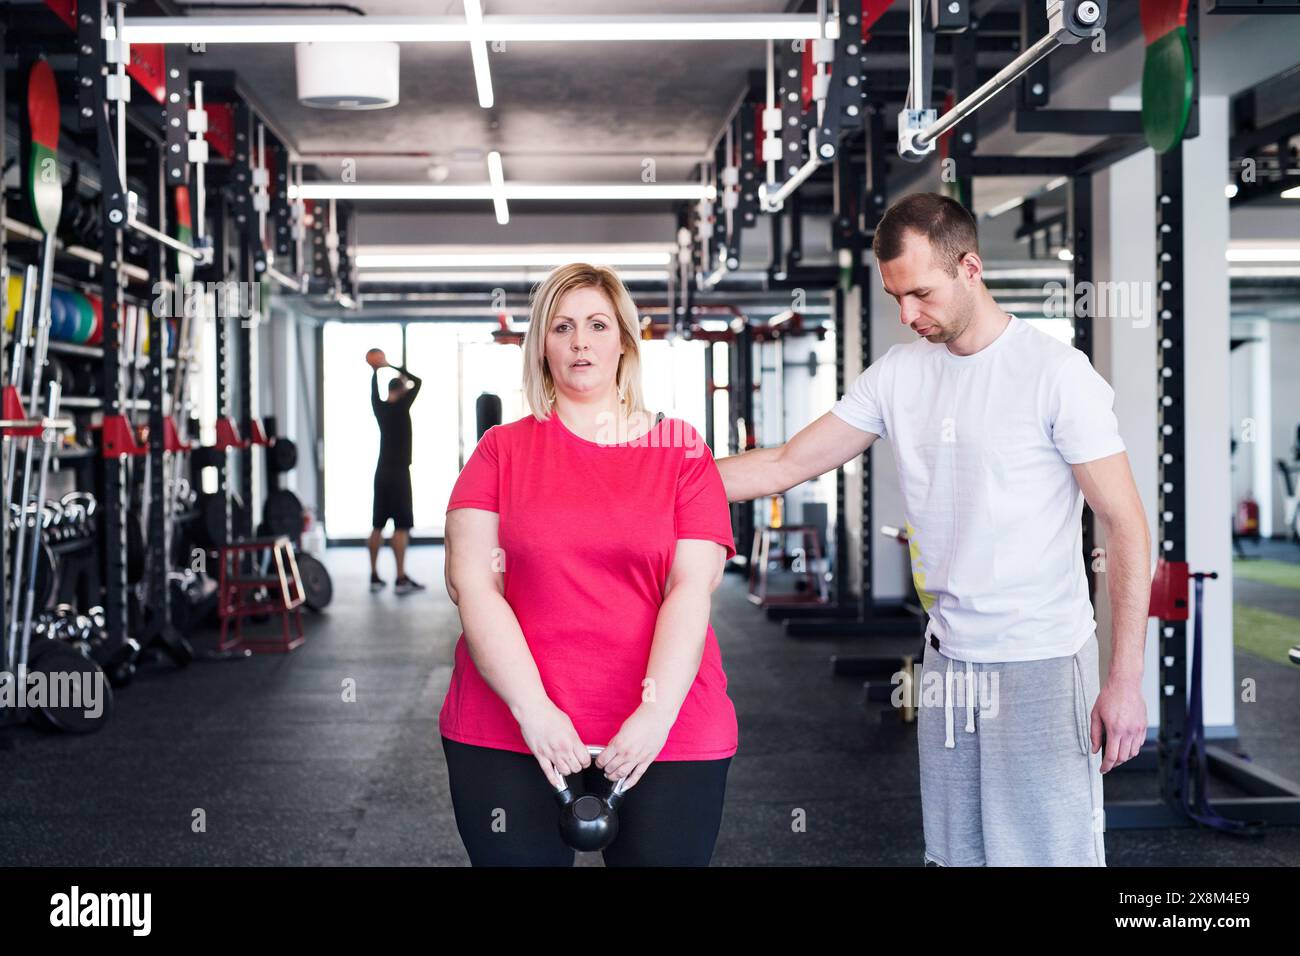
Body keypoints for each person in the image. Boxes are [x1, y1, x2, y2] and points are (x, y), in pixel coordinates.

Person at [715, 192, 1151, 867]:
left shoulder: (1056, 375)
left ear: (969, 267)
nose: (907, 315)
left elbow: (1125, 526)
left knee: (1045, 857)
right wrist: (642, 481)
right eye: (896, 297)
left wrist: (1123, 678)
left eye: (919, 293)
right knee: (955, 857)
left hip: (1038, 658)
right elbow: (784, 463)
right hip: (948, 661)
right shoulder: (897, 375)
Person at [440, 263, 737, 866]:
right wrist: (536, 712)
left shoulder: (681, 451)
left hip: (667, 733)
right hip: (512, 732)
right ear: (540, 345)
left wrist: (654, 717)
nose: (580, 341)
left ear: (623, 341)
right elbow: (474, 586)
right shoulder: (500, 451)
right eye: (562, 326)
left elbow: (690, 589)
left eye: (598, 325)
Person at [367, 348, 424, 594]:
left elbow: (373, 392)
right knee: (401, 526)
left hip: (381, 474)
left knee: (377, 525)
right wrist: (389, 365)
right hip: (400, 474)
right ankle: (400, 578)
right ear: (400, 391)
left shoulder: (379, 408)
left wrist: (374, 371)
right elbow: (418, 381)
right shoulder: (402, 407)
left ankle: (374, 575)